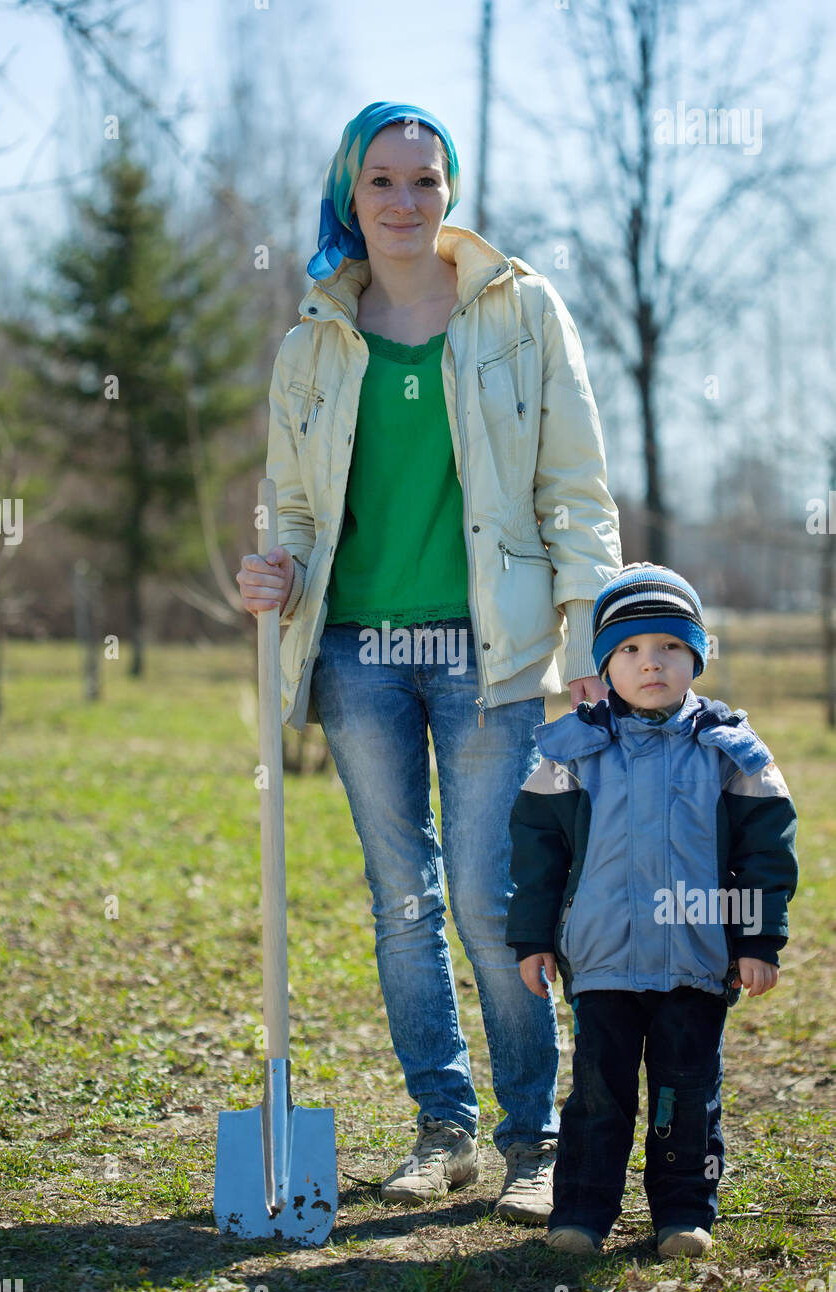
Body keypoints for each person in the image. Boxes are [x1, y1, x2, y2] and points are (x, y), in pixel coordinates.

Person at [236, 101, 622, 1225]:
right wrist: (275, 574)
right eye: (381, 183)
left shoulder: (519, 312)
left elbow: (574, 487)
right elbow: (296, 511)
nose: (403, 203)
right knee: (401, 900)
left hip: (486, 652)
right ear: (348, 197)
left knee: (487, 899)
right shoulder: (312, 339)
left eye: (424, 182)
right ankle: (440, 1130)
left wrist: (589, 621)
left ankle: (531, 1141)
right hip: (356, 651)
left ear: (450, 193)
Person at [507, 562, 799, 1255]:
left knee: (686, 1094)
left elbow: (766, 853)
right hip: (602, 961)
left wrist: (756, 940)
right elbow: (537, 857)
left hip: (696, 962)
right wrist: (532, 939)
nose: (651, 665)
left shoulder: (731, 753)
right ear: (604, 664)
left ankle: (682, 1213)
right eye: (630, 651)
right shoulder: (571, 753)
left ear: (696, 655)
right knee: (597, 1096)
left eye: (670, 648)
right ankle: (579, 1213)